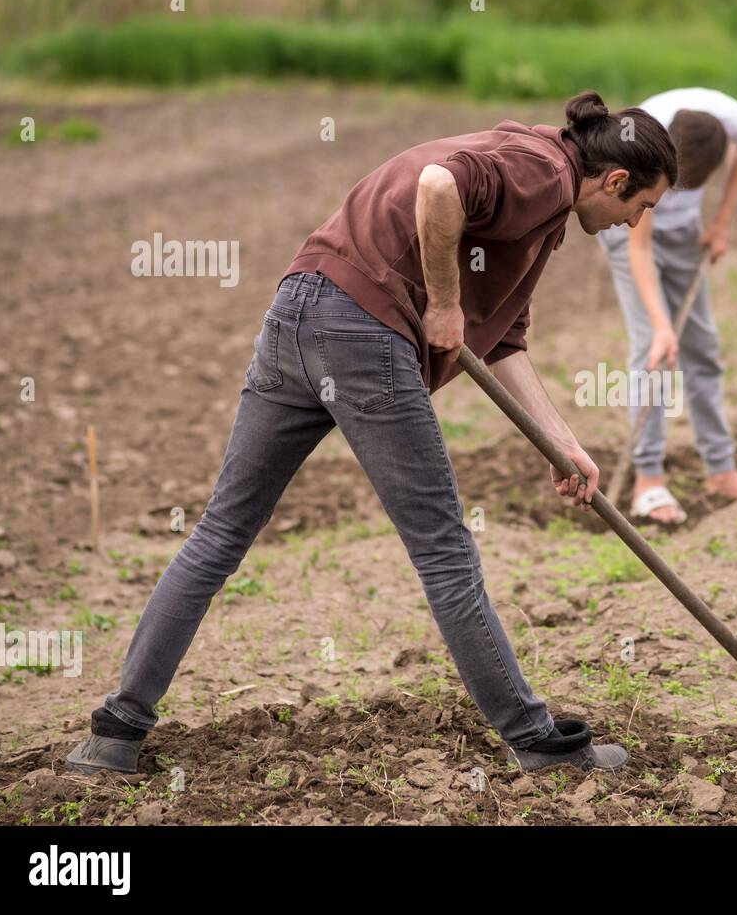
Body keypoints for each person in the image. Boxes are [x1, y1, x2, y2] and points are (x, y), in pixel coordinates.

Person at [65, 91, 676, 776]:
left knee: (221, 529)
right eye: (641, 207)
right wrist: (442, 303)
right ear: (616, 180)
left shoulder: (541, 200)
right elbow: (439, 185)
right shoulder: (545, 171)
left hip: (298, 311)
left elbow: (504, 343)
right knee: (444, 548)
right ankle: (535, 741)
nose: (632, 223)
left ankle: (115, 731)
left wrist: (559, 442)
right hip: (361, 329)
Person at [597, 87, 737, 524]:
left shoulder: (736, 118)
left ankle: (723, 473)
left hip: (685, 234)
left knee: (702, 346)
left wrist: (721, 221)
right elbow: (640, 252)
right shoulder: (641, 141)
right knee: (653, 349)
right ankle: (648, 482)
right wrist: (662, 326)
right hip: (629, 227)